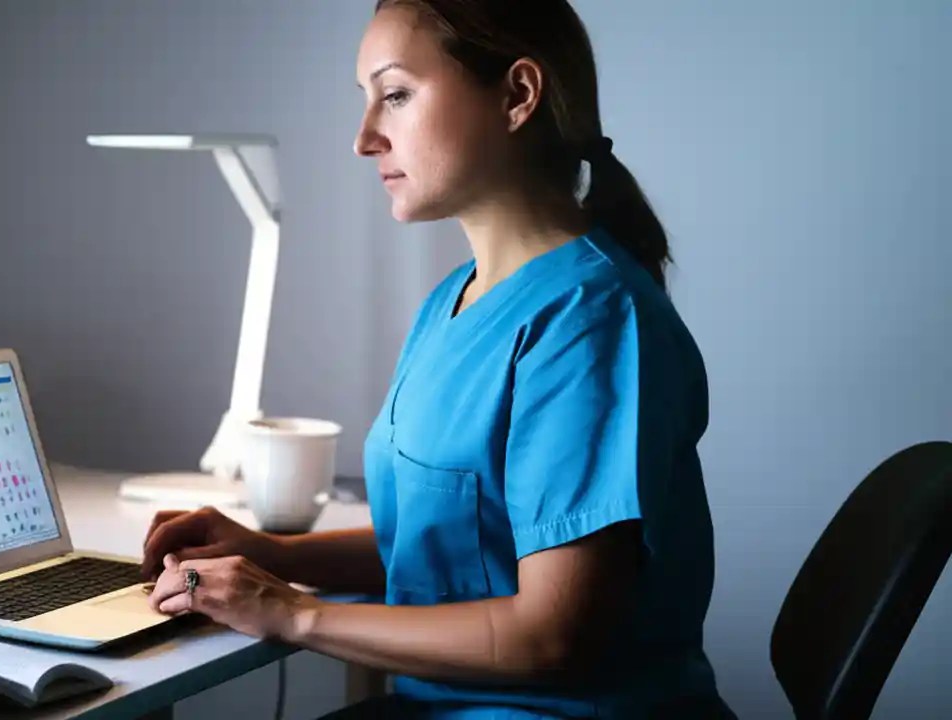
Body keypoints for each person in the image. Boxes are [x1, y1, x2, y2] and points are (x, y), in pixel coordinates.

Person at [142, 1, 735, 717]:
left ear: (517, 95)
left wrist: (293, 612)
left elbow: (551, 636)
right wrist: (273, 554)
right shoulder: (454, 301)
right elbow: (450, 547)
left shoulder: (590, 320)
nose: (364, 139)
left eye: (394, 95)